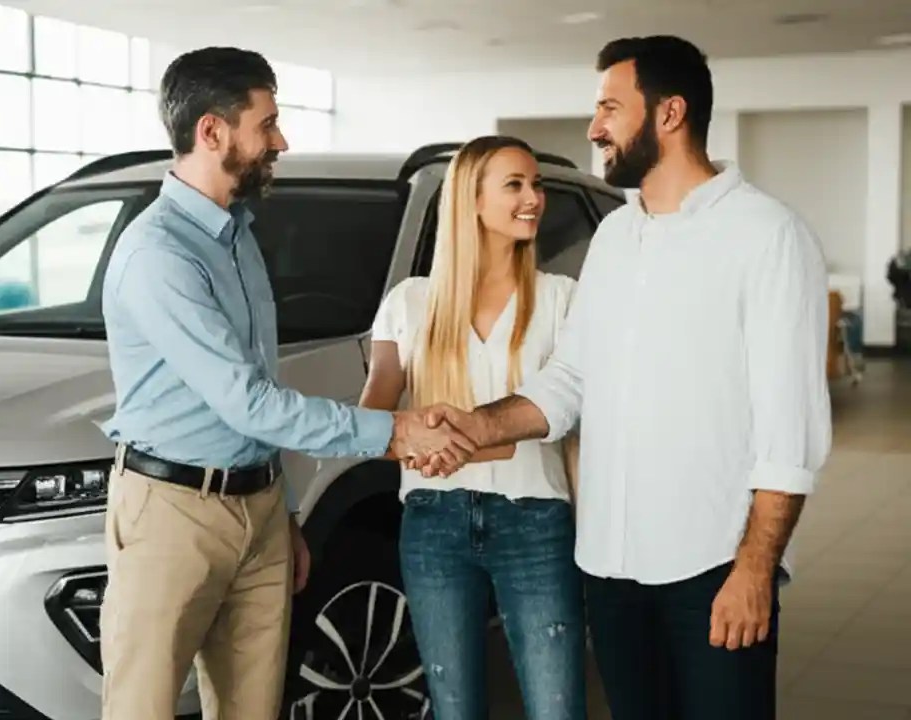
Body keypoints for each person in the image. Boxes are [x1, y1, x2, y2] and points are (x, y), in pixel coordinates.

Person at [417, 35, 833, 720]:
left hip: (711, 567)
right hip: (608, 568)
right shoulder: (615, 237)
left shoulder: (767, 235)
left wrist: (755, 567)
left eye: (610, 107)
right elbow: (572, 378)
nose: (594, 128)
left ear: (669, 114)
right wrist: (479, 423)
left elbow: (792, 428)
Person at [96, 46, 474, 720]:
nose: (280, 140)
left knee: (253, 711)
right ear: (212, 132)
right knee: (141, 709)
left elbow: (254, 390)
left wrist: (286, 511)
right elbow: (248, 401)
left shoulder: (237, 234)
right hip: (172, 515)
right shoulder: (160, 253)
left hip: (260, 507)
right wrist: (397, 431)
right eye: (266, 124)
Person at [359, 135, 586, 720]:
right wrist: (416, 445)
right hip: (433, 521)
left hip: (538, 521)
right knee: (454, 707)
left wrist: (590, 533)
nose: (533, 197)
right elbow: (371, 420)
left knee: (556, 706)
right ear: (471, 199)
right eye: (514, 184)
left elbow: (576, 422)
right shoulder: (408, 303)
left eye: (536, 184)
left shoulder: (565, 301)